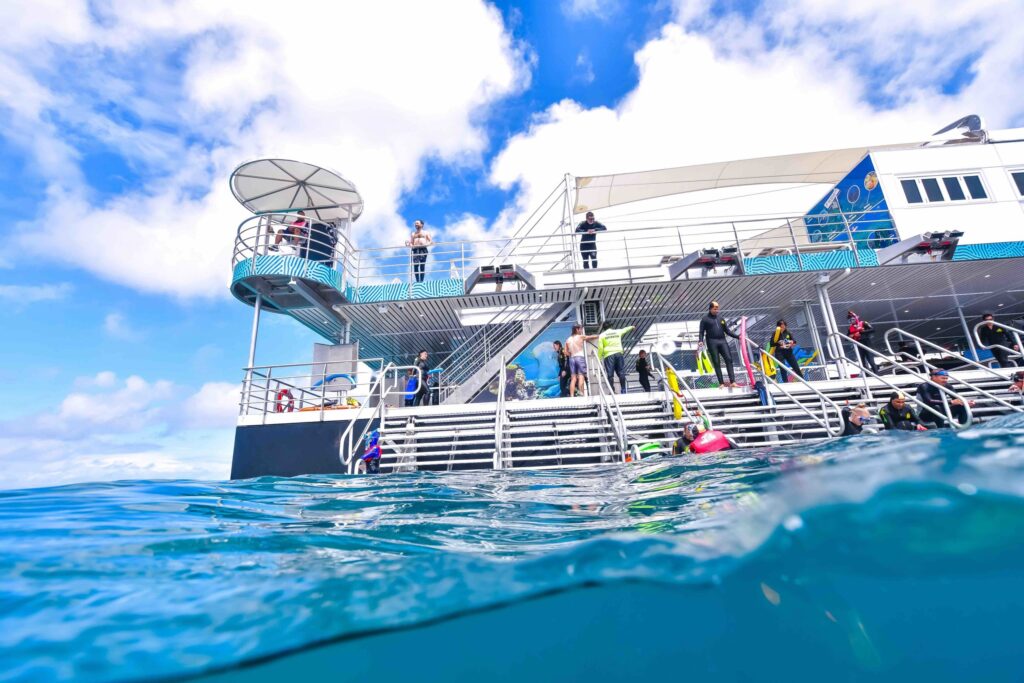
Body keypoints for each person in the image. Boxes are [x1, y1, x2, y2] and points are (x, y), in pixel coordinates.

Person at [698, 301, 741, 388]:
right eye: (715, 309)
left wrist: (737, 337)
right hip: (712, 342)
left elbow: (727, 331)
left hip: (722, 341)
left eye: (717, 309)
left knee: (729, 359)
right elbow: (701, 331)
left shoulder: (720, 318)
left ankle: (732, 382)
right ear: (710, 309)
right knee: (716, 362)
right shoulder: (705, 319)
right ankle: (721, 383)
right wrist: (700, 340)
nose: (717, 311)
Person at [598, 321, 635, 394]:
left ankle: (612, 390)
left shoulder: (602, 335)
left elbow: (600, 348)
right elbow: (625, 329)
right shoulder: (617, 332)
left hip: (608, 356)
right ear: (611, 326)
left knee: (610, 374)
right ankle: (623, 389)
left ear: (604, 328)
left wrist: (599, 358)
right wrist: (632, 327)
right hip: (618, 354)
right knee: (621, 372)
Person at [566, 324, 598, 397]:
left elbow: (566, 352)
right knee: (581, 376)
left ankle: (571, 396)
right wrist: (599, 335)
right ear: (577, 329)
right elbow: (591, 337)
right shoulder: (580, 337)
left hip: (572, 358)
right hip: (579, 357)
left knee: (573, 378)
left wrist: (571, 354)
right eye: (580, 329)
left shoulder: (568, 339)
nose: (581, 331)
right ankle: (581, 394)